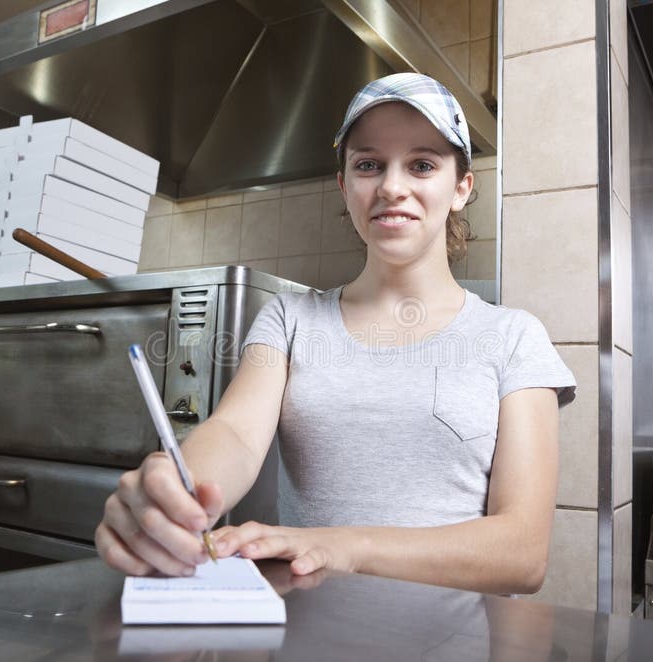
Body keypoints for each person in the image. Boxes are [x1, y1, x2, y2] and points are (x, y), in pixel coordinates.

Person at [96, 73, 576, 594]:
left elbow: (522, 554)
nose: (392, 187)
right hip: (310, 634)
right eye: (369, 164)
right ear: (346, 185)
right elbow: (234, 433)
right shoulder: (290, 319)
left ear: (461, 187)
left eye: (422, 164)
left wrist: (341, 546)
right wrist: (173, 487)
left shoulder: (514, 337)